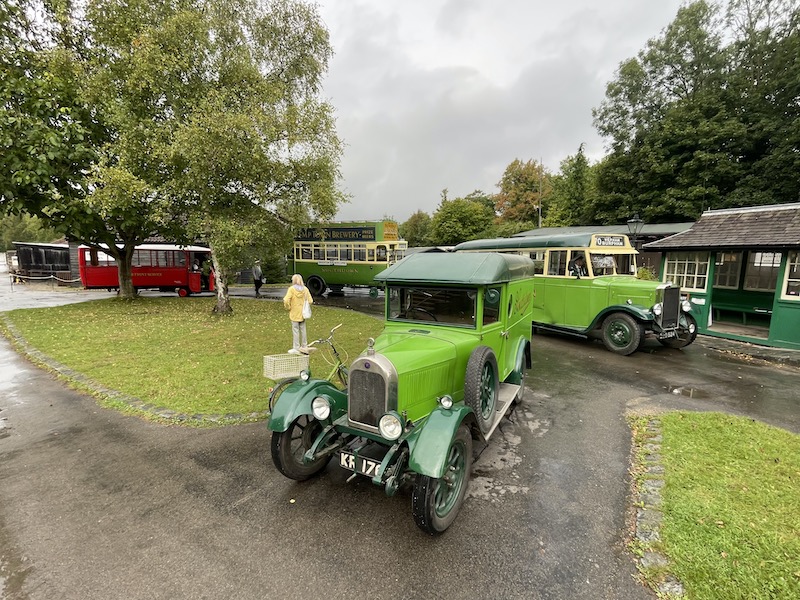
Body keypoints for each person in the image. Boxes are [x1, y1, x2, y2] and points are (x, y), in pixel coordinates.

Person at [283, 274, 313, 354]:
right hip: (303, 313)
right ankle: (304, 346)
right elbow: (310, 301)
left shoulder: (291, 289)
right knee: (303, 330)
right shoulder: (305, 289)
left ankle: (296, 348)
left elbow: (286, 300)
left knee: (295, 330)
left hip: (294, 313)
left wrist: (288, 307)